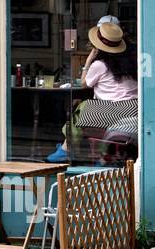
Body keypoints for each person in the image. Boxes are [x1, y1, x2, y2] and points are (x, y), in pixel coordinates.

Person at [48, 22, 138, 162]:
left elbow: (84, 83)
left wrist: (89, 60)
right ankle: (101, 155)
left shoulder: (99, 65)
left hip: (113, 110)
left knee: (80, 111)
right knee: (87, 110)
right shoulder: (132, 63)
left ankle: (66, 149)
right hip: (134, 108)